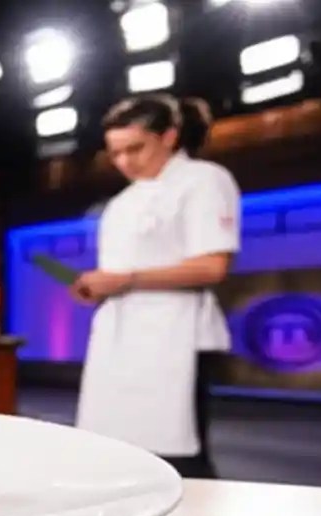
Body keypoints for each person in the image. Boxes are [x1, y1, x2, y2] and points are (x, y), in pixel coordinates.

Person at [72, 95, 239, 478]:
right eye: (116, 153)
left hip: (175, 338)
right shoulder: (121, 203)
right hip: (119, 339)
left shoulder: (203, 180)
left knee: (177, 457)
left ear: (169, 136)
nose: (125, 162)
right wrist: (99, 286)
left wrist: (128, 279)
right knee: (115, 452)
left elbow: (213, 265)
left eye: (135, 149)